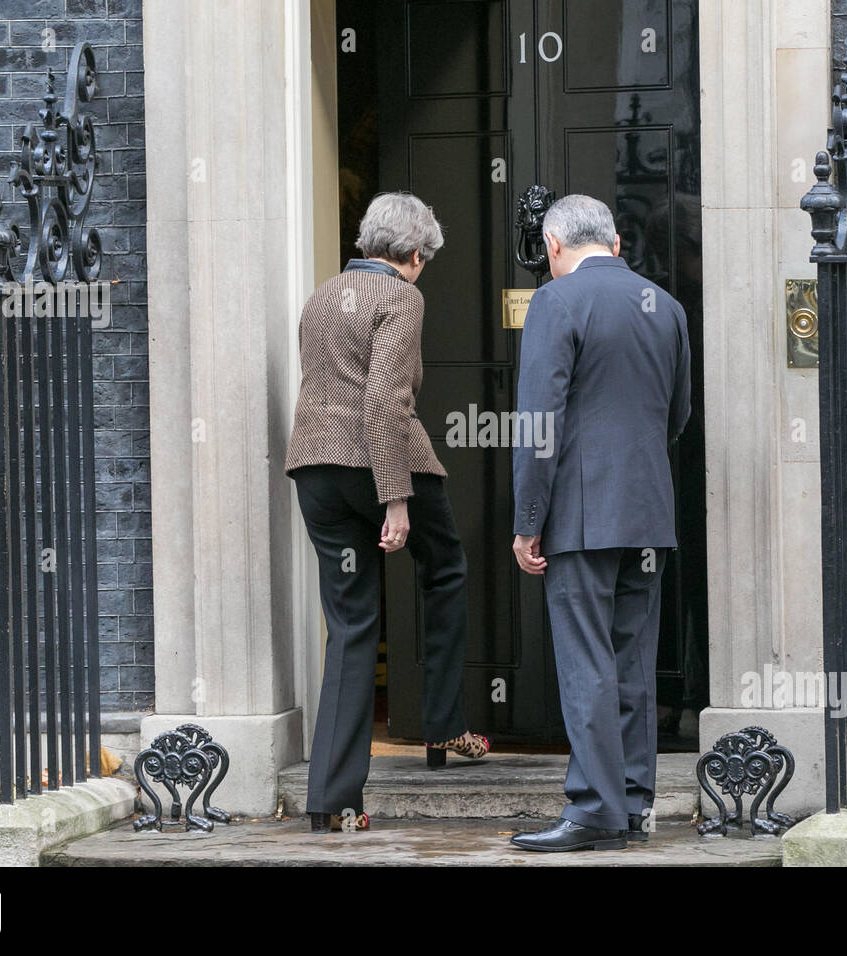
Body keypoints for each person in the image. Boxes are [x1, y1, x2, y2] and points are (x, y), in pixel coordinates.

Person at [285, 192, 489, 835]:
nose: (423, 268)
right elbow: (384, 400)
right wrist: (395, 497)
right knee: (446, 567)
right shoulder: (401, 295)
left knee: (350, 624)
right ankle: (444, 723)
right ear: (410, 255)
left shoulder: (321, 295)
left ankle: (332, 799)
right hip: (384, 462)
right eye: (424, 258)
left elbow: (327, 385)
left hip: (315, 468)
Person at [508, 194, 691, 851]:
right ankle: (632, 804)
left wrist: (528, 518)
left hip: (582, 516)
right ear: (616, 244)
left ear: (554, 247)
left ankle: (593, 809)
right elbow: (677, 416)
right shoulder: (665, 307)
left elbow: (537, 423)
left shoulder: (556, 303)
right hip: (648, 513)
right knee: (631, 664)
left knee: (586, 663)